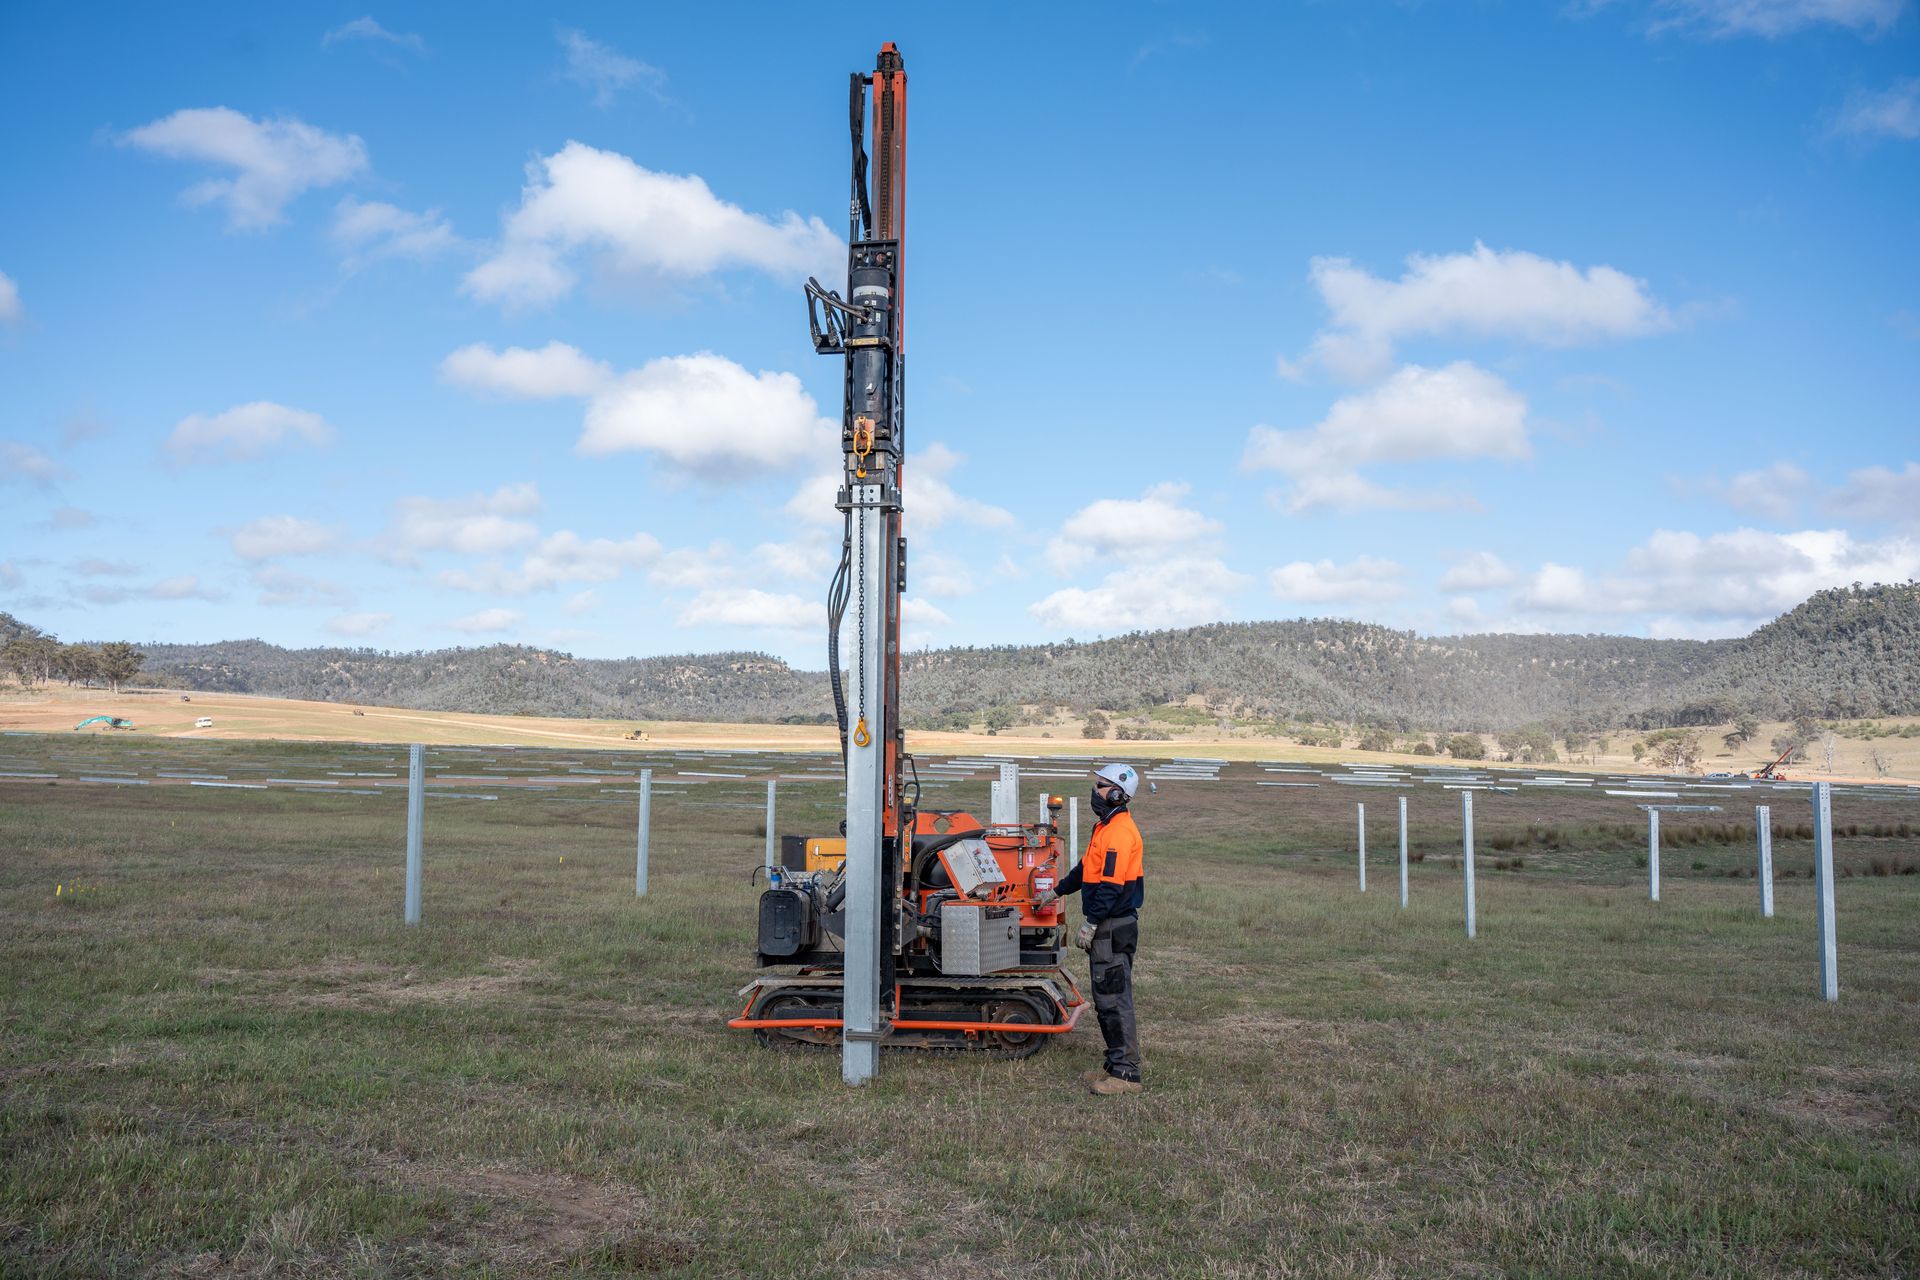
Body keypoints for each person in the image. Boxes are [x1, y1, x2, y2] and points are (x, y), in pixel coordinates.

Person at [1039, 762, 1145, 1095]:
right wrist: (1056, 891)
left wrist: (1092, 922)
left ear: (1116, 793)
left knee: (1114, 1000)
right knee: (1107, 997)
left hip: (1112, 926)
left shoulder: (1118, 833)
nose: (1094, 791)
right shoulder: (1105, 828)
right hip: (1111, 925)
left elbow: (1111, 887)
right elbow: (1086, 870)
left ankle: (1126, 1075)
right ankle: (1114, 1066)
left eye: (1100, 786)